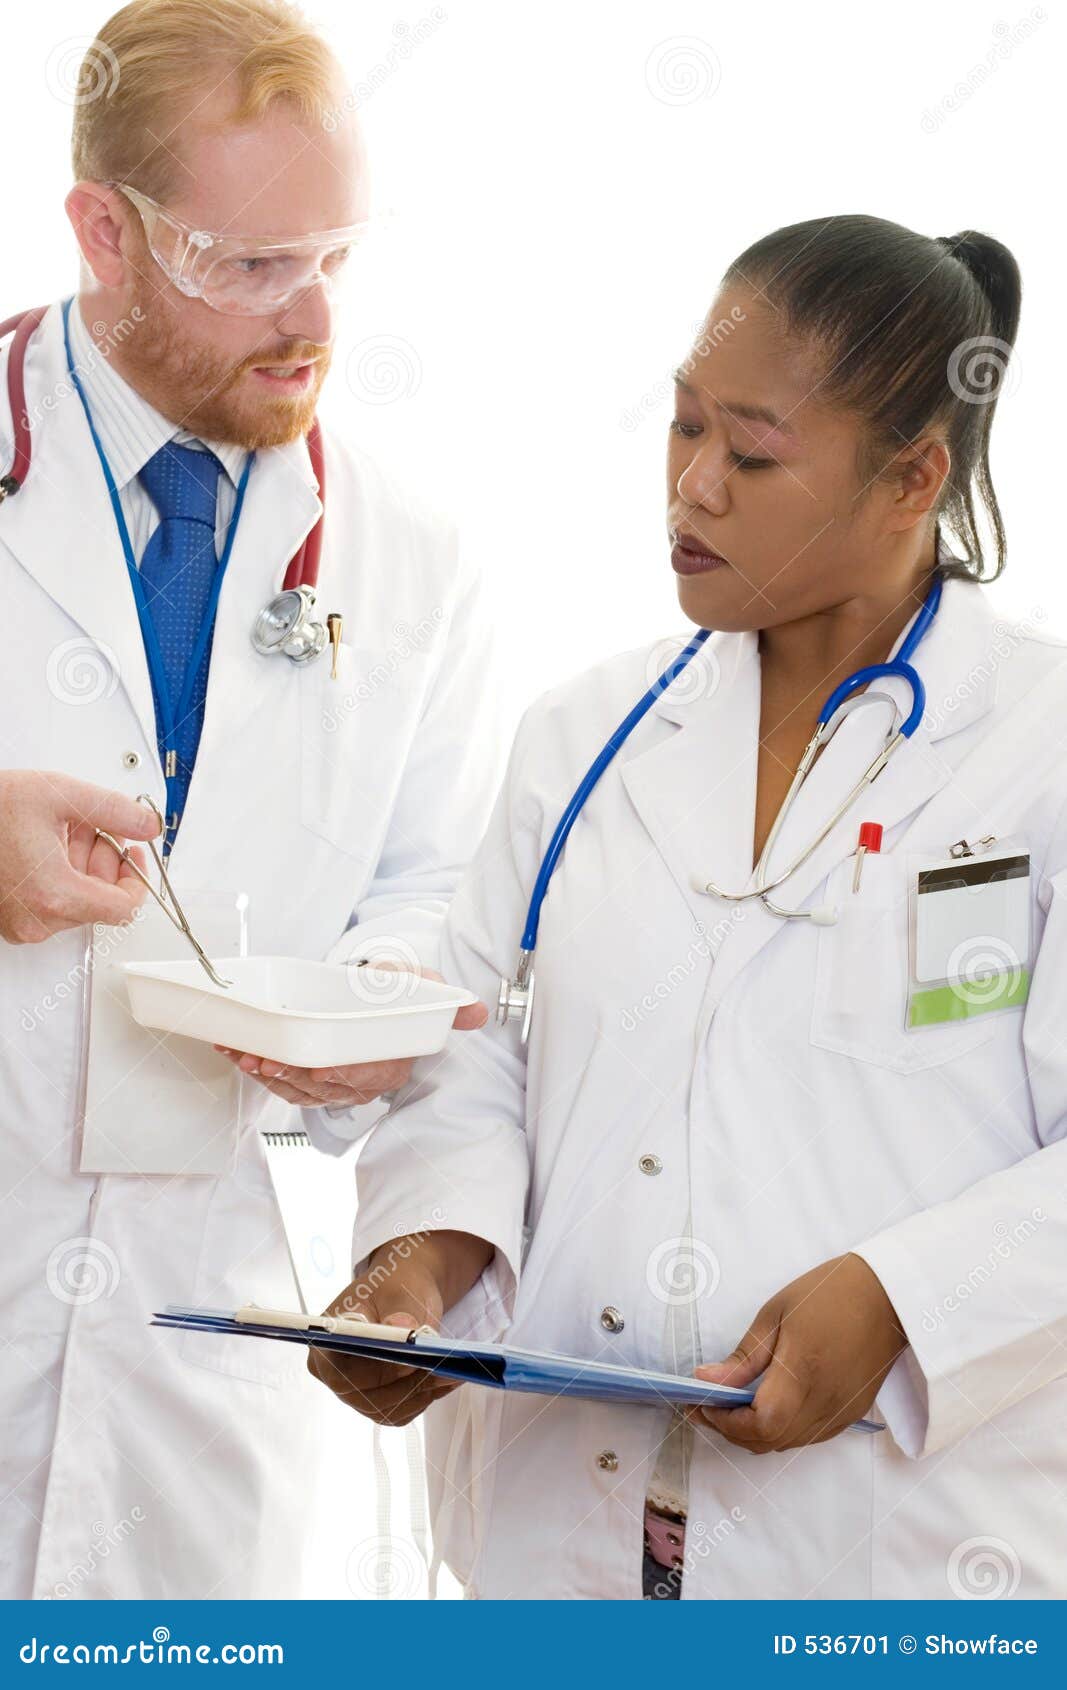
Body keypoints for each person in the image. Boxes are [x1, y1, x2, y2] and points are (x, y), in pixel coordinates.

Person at [311, 216, 1067, 1600]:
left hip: (892, 1561)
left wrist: (897, 1303)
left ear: (913, 477)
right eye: (680, 427)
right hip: (564, 1543)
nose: (692, 489)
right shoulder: (584, 737)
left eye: (754, 451)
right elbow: (476, 1047)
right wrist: (419, 1266)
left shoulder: (1041, 747)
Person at [0, 0, 495, 1599]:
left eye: (335, 254)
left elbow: (436, 896)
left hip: (197, 1383)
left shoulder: (412, 559)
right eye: (250, 263)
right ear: (104, 232)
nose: (311, 317)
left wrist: (376, 1004)